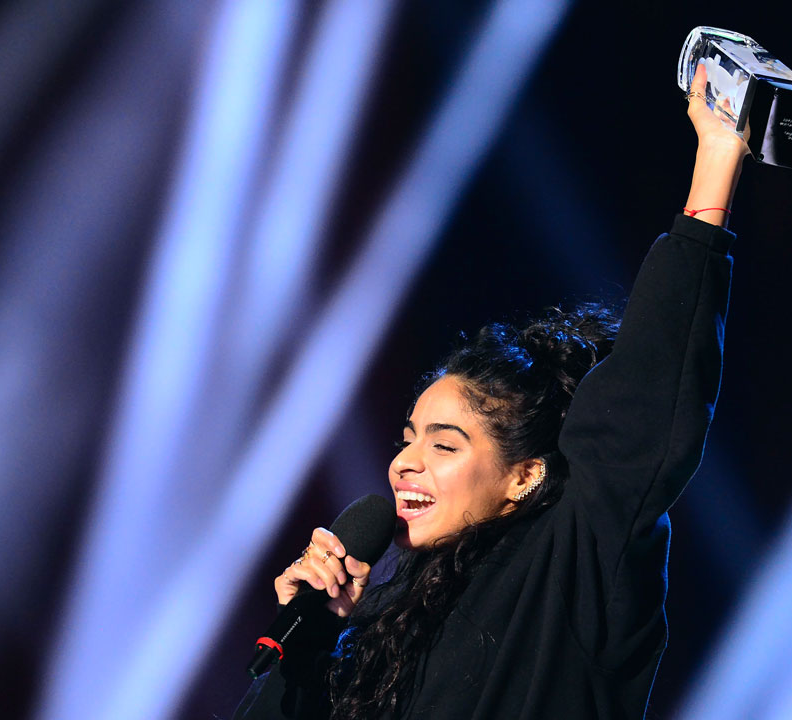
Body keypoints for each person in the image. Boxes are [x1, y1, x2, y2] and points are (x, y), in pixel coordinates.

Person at [234, 62, 749, 719]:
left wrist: (717, 156)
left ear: (526, 475)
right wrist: (308, 638)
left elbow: (644, 399)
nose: (404, 462)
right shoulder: (381, 629)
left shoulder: (570, 568)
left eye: (444, 445)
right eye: (407, 439)